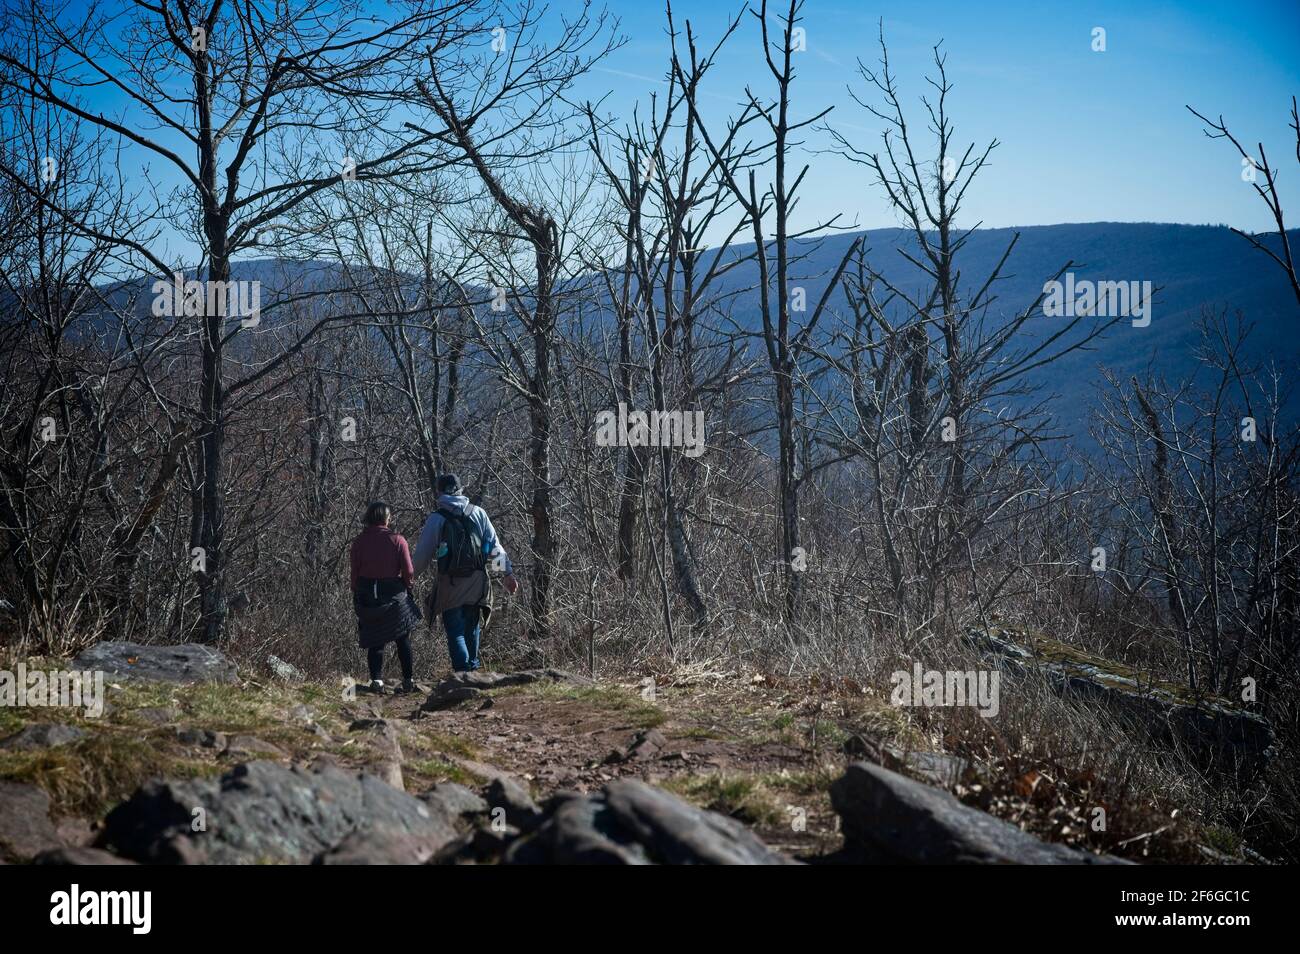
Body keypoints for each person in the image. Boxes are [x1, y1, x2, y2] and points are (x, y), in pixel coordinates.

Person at [413, 474, 519, 672]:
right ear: (461, 490)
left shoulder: (437, 518)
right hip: (477, 581)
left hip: (450, 583)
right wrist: (507, 573)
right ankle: (473, 669)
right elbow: (494, 547)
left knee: (455, 629)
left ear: (439, 492)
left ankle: (462, 671)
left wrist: (409, 577)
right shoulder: (478, 513)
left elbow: (423, 555)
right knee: (471, 626)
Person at [349, 501, 421, 694]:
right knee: (403, 637)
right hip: (393, 596)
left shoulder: (358, 542)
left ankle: (377, 681)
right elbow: (408, 571)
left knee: (375, 640)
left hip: (367, 595)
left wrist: (357, 592)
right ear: (386, 518)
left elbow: (354, 573)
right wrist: (408, 587)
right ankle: (408, 680)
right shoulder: (397, 540)